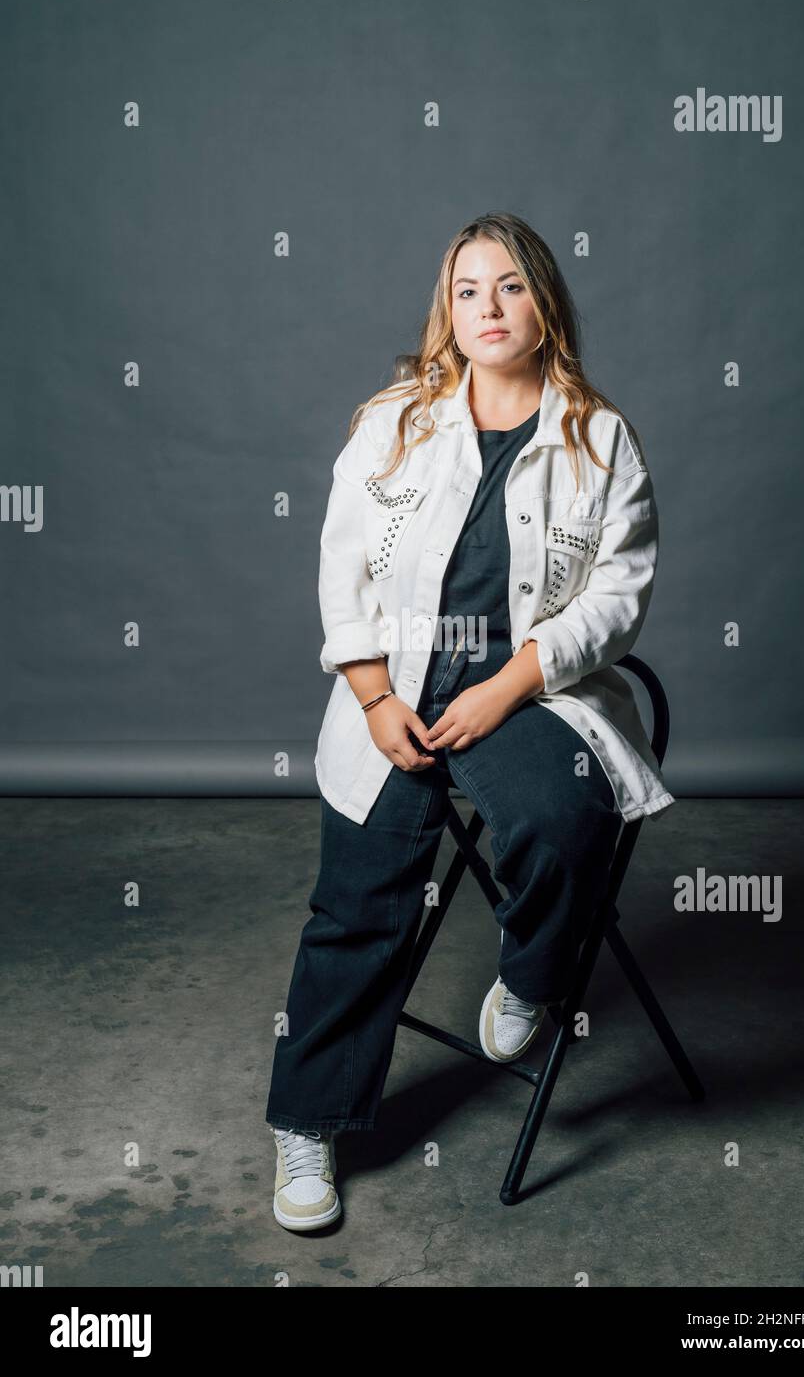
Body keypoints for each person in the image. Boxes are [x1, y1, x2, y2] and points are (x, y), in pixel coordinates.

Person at [265, 211, 675, 1231]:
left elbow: (617, 595)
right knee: (356, 904)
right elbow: (340, 566)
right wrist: (370, 695)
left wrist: (507, 685)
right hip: (397, 681)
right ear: (445, 311)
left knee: (560, 818)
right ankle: (308, 1124)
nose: (488, 307)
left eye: (509, 287)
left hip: (528, 686)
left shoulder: (599, 436)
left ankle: (532, 983)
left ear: (543, 303)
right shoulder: (397, 418)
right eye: (466, 290)